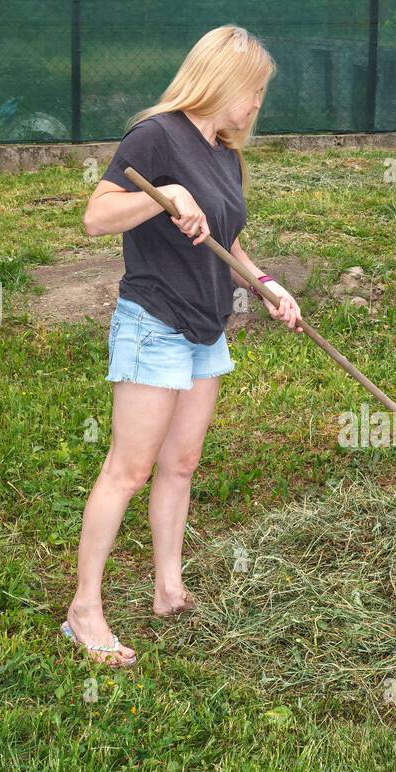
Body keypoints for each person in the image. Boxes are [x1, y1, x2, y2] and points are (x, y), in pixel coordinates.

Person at [63, 25, 302, 667]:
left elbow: (231, 245)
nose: (255, 106)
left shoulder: (223, 153)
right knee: (129, 469)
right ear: (222, 81)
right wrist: (164, 197)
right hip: (154, 322)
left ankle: (168, 586)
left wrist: (271, 288)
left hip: (205, 328)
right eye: (253, 91)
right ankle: (84, 609)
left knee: (182, 464)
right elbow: (96, 215)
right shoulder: (156, 134)